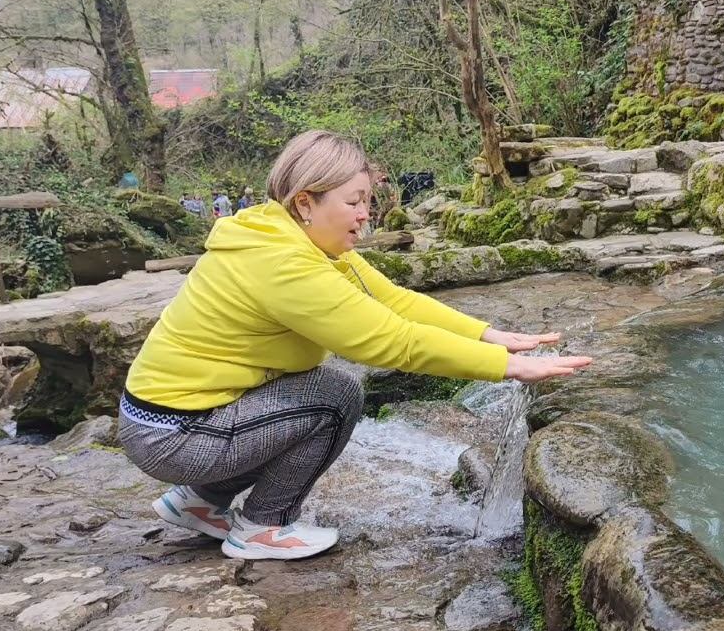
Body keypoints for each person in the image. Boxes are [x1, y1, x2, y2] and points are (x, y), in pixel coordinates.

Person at [118, 130, 591, 561]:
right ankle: (262, 527)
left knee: (316, 387)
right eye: (355, 202)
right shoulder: (285, 264)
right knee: (335, 397)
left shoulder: (292, 238)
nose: (366, 215)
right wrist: (505, 367)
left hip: (174, 418)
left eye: (367, 200)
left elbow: (393, 300)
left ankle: (200, 502)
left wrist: (488, 335)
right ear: (305, 203)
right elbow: (392, 343)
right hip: (174, 434)